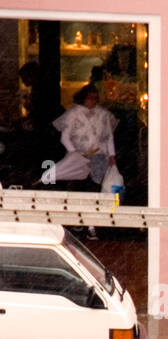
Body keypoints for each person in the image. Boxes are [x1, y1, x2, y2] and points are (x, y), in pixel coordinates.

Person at [51, 85, 117, 239]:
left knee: (95, 191)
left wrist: (112, 156)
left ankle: (91, 224)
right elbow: (65, 137)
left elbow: (108, 137)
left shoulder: (103, 115)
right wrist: (76, 155)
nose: (93, 101)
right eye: (90, 98)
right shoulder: (73, 114)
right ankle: (78, 221)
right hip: (80, 159)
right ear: (83, 98)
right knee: (80, 190)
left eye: (96, 98)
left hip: (98, 158)